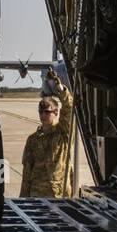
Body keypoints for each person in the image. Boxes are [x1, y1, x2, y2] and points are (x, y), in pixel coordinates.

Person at [20, 68, 74, 198]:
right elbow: (27, 172)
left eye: (47, 112)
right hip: (36, 195)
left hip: (59, 195)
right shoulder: (32, 139)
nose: (43, 114)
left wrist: (59, 87)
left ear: (55, 113)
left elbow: (69, 107)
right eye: (41, 111)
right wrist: (23, 199)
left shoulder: (63, 133)